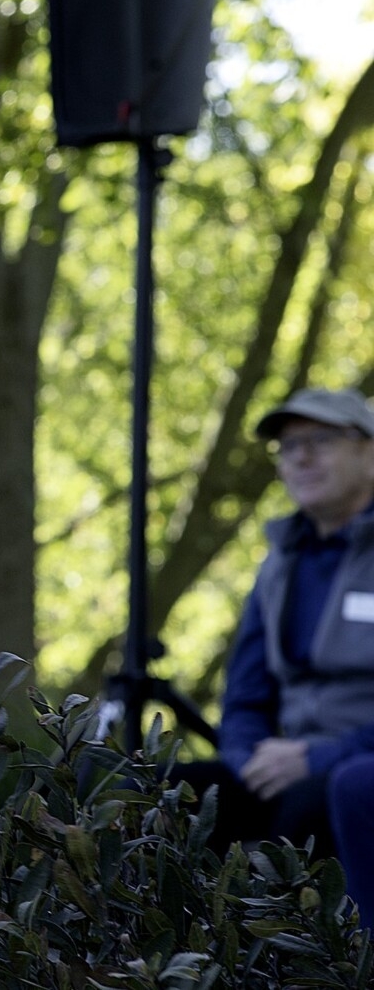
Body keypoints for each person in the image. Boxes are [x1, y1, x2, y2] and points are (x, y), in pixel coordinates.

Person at [177, 387, 374, 916]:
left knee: (307, 813)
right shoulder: (279, 562)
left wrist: (318, 758)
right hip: (285, 763)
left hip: (355, 766)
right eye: (288, 447)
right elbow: (245, 697)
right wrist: (248, 764)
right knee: (159, 796)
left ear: (369, 451)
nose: (302, 457)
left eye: (322, 439)